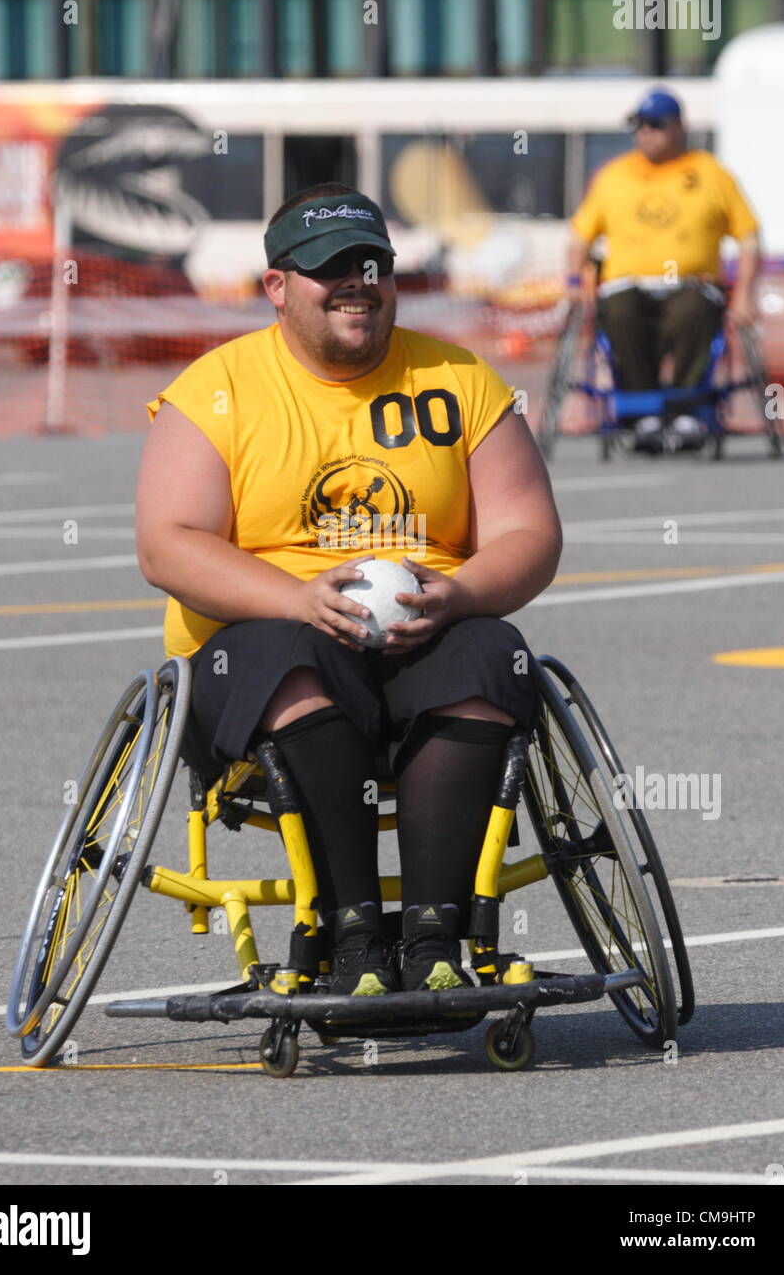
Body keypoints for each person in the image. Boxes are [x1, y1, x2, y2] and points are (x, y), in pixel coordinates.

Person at [136, 182, 562, 998]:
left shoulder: (461, 378)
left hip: (420, 626)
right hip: (265, 631)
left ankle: (437, 938)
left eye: (373, 266)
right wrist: (298, 599)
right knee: (289, 661)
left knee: (490, 653)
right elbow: (167, 545)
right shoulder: (215, 392)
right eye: (333, 270)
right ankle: (351, 934)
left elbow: (530, 533)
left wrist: (459, 594)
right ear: (278, 286)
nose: (357, 284)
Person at [566, 88, 760, 451]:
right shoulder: (614, 176)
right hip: (627, 286)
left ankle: (687, 411)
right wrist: (575, 282)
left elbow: (748, 237)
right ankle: (643, 414)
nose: (645, 133)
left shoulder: (710, 173)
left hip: (692, 284)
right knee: (621, 311)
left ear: (679, 128)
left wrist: (746, 294)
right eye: (639, 125)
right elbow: (579, 238)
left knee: (694, 309)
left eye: (656, 125)